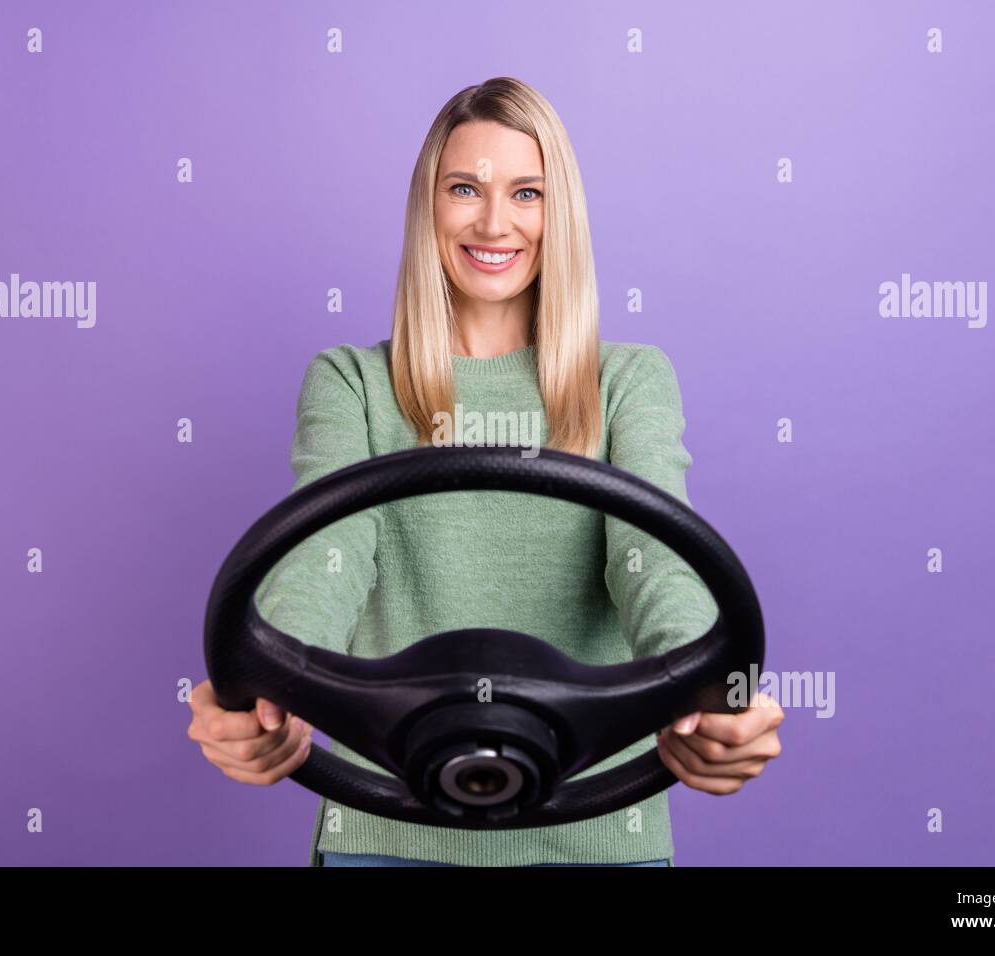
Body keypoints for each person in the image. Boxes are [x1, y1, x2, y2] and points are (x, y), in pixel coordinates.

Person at [188, 77, 783, 867]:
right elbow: (322, 566)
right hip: (386, 836)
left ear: (557, 211)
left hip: (597, 838)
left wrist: (708, 701)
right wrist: (269, 698)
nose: (495, 222)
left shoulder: (629, 379)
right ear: (427, 208)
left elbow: (658, 564)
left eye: (526, 193)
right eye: (464, 188)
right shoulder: (350, 382)